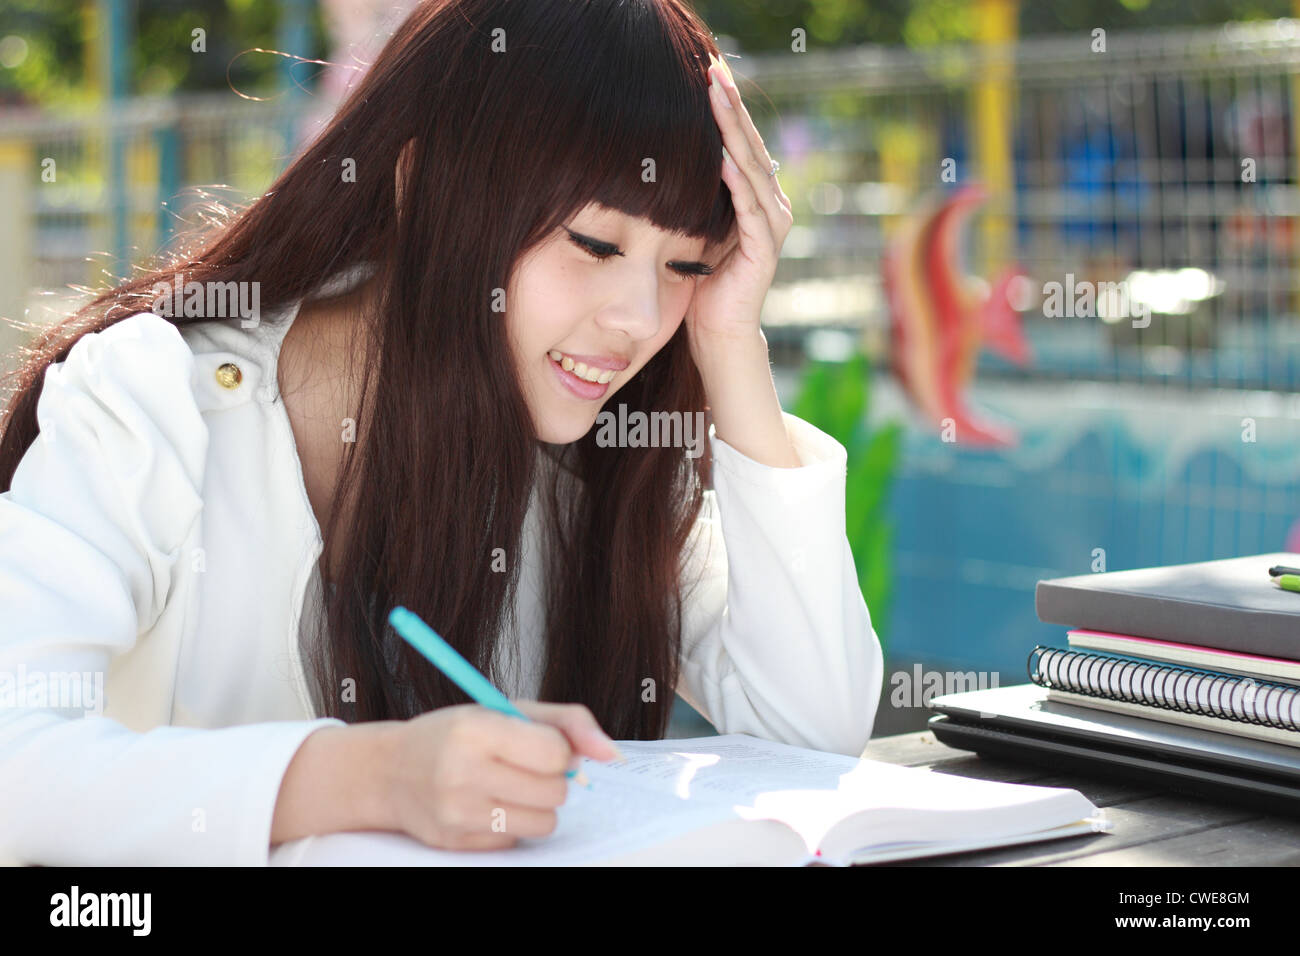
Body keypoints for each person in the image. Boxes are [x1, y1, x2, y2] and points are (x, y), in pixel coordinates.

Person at [0, 0, 882, 866]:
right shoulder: (154, 399)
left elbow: (811, 733)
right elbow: (15, 761)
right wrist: (371, 777)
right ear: (422, 183)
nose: (640, 319)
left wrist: (731, 341)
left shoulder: (611, 455)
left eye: (688, 263)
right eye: (595, 245)